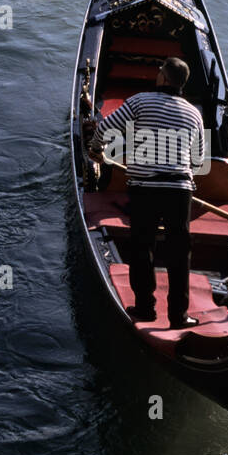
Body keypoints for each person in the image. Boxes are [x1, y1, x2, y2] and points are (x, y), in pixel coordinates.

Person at [88, 56, 205, 328]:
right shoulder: (194, 113)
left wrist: (96, 150)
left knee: (142, 247)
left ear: (163, 78)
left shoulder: (140, 101)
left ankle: (145, 308)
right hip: (180, 190)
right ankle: (178, 316)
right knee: (179, 253)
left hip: (145, 188)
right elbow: (199, 162)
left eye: (159, 70)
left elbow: (105, 128)